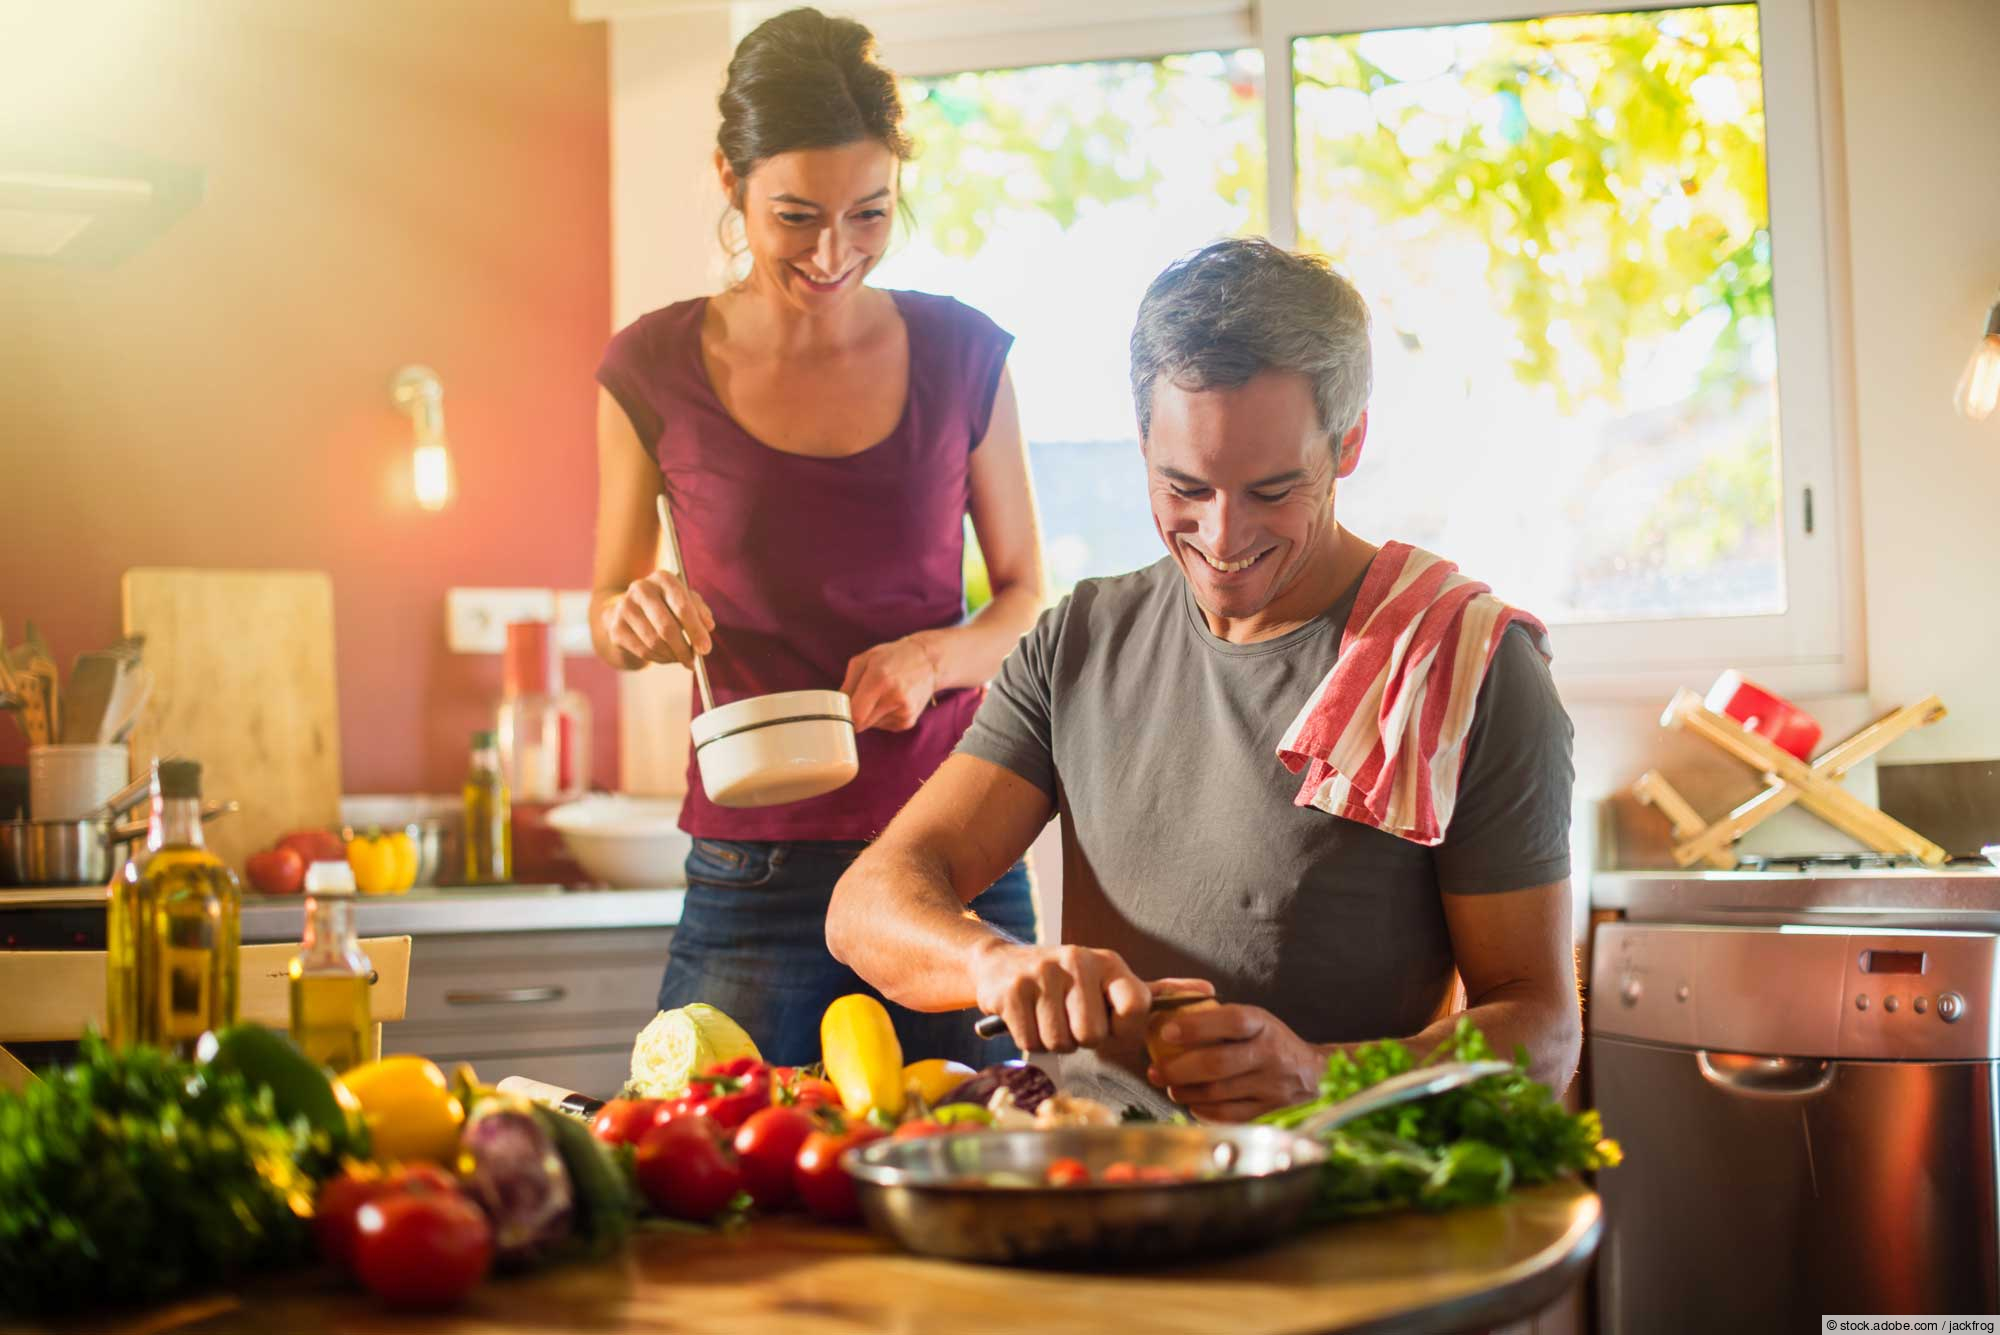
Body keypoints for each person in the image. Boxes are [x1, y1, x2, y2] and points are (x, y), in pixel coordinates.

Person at [826, 238, 1580, 1121]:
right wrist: (997, 965)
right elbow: (867, 903)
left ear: (1350, 442)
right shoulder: (1078, 641)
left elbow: (1543, 1029)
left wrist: (1322, 1073)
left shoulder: (1468, 666)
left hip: (1326, 1179)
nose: (1222, 539)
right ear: (1141, 439)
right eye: (1184, 485)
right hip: (1091, 1162)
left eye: (1272, 490)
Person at [589, 7, 1048, 1068]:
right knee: (709, 1187)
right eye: (795, 215)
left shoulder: (962, 353)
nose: (833, 253)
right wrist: (636, 611)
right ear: (728, 181)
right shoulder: (648, 368)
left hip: (951, 850)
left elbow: (1025, 596)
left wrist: (932, 658)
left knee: (992, 1165)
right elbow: (608, 613)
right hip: (751, 865)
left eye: (869, 212)